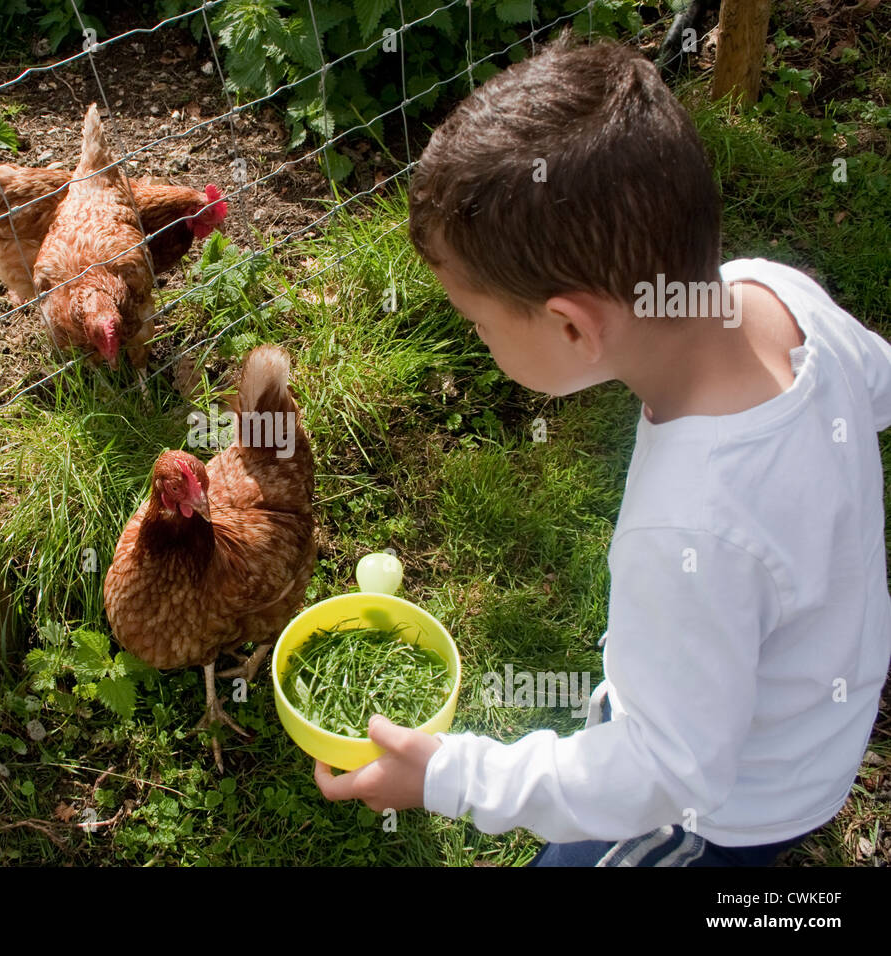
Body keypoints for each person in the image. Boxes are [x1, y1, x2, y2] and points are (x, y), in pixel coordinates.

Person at [314, 34, 891, 867]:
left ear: (574, 327)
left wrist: (448, 775)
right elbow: (873, 382)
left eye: (478, 325)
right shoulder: (777, 292)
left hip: (720, 807)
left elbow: (667, 767)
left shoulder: (687, 530)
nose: (479, 343)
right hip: (807, 718)